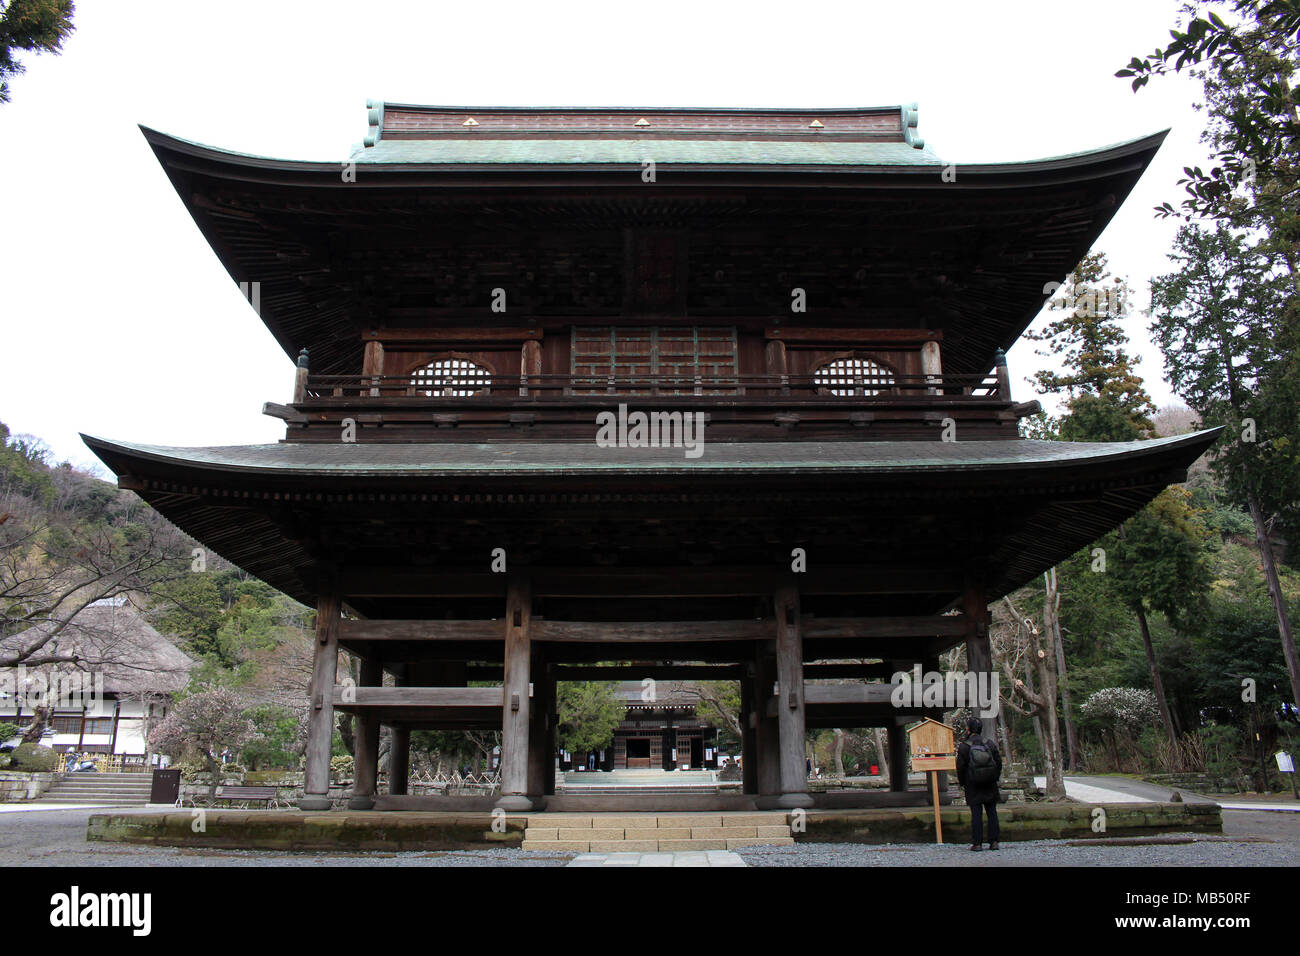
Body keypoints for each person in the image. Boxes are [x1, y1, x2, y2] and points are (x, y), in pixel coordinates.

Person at [956, 716, 1002, 851]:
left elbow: (960, 767)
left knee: (976, 813)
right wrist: (994, 777)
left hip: (973, 784)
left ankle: (977, 843)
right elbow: (998, 763)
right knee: (992, 812)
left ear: (968, 729)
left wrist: (963, 782)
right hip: (990, 783)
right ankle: (994, 842)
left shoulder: (964, 746)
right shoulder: (990, 744)